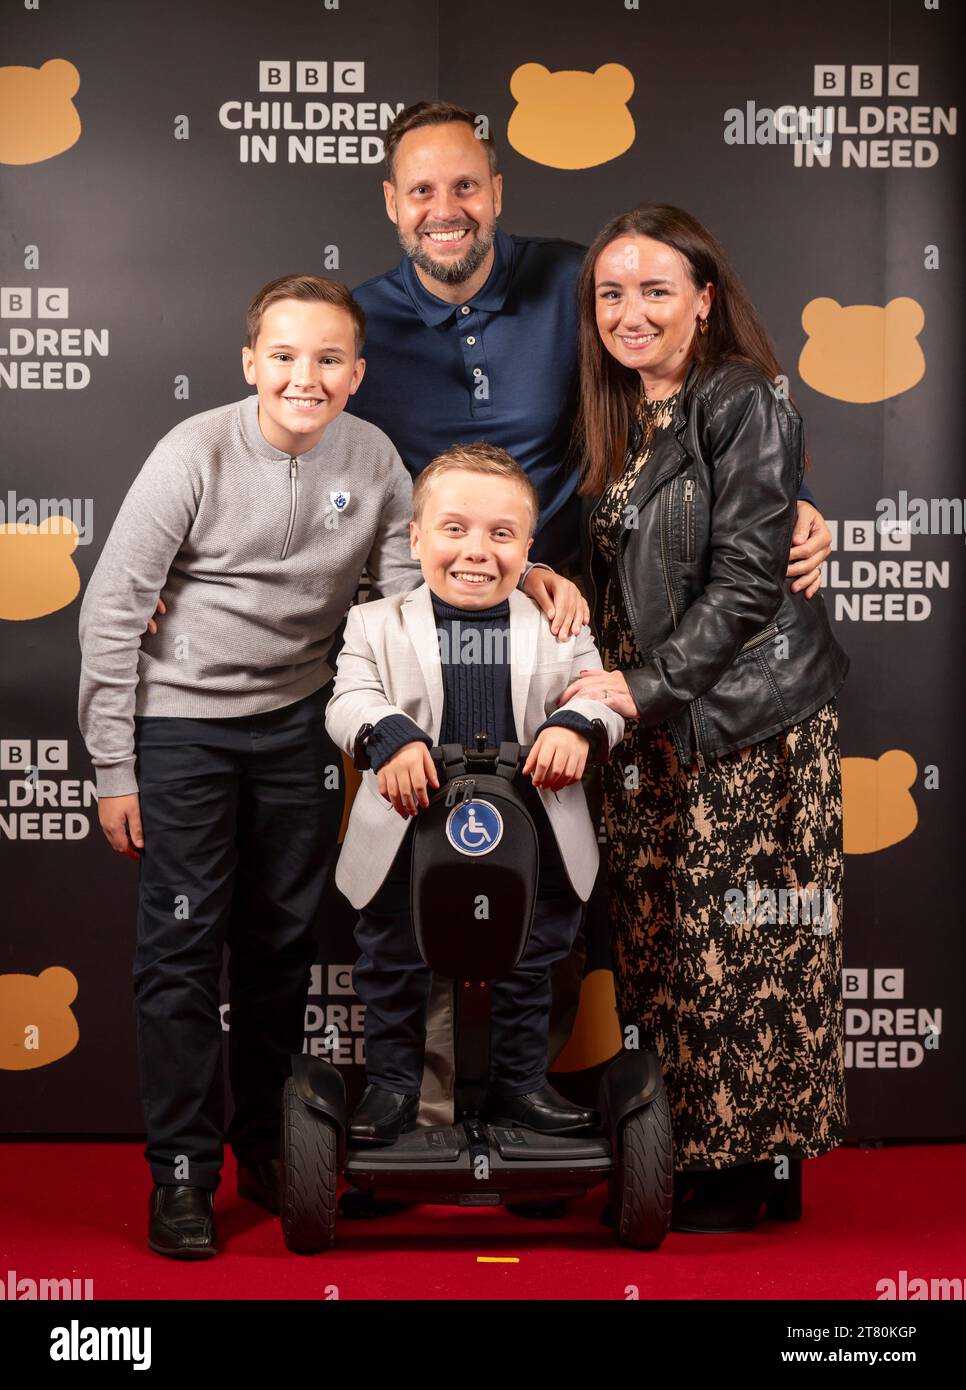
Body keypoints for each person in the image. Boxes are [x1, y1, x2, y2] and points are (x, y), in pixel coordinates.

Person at [344, 98, 836, 1130]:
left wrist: (794, 508)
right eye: (423, 189)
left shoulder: (577, 276)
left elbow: (726, 444)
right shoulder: (358, 326)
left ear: (497, 194)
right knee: (429, 879)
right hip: (457, 647)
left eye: (466, 185)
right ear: (392, 204)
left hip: (577, 652)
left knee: (555, 887)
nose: (447, 208)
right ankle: (425, 1111)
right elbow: (307, 455)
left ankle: (541, 1113)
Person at [77, 274, 583, 1260]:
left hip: (298, 726)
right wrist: (112, 767)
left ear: (355, 374)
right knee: (181, 956)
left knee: (280, 949)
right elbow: (110, 611)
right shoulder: (195, 452)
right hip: (182, 727)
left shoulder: (375, 459)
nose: (302, 378)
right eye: (283, 355)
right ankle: (181, 1171)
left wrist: (530, 578)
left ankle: (268, 1144)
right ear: (250, 363)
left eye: (325, 360)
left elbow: (416, 604)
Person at [559, 204, 849, 1234]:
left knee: (750, 946)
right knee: (660, 945)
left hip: (745, 720)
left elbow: (741, 584)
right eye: (611, 294)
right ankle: (677, 1152)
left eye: (655, 291)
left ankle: (750, 1169)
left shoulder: (743, 400)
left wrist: (645, 686)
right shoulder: (620, 413)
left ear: (705, 300)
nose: (630, 313)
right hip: (656, 728)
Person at [324, 444, 625, 1142]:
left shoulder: (558, 625)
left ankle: (523, 1086)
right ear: (416, 538)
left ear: (528, 547)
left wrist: (578, 726)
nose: (476, 552)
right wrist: (387, 732)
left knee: (532, 962)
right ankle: (396, 1089)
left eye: (501, 534)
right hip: (410, 833)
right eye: (454, 529)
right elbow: (347, 701)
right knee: (393, 961)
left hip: (535, 836)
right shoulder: (377, 623)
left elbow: (604, 699)